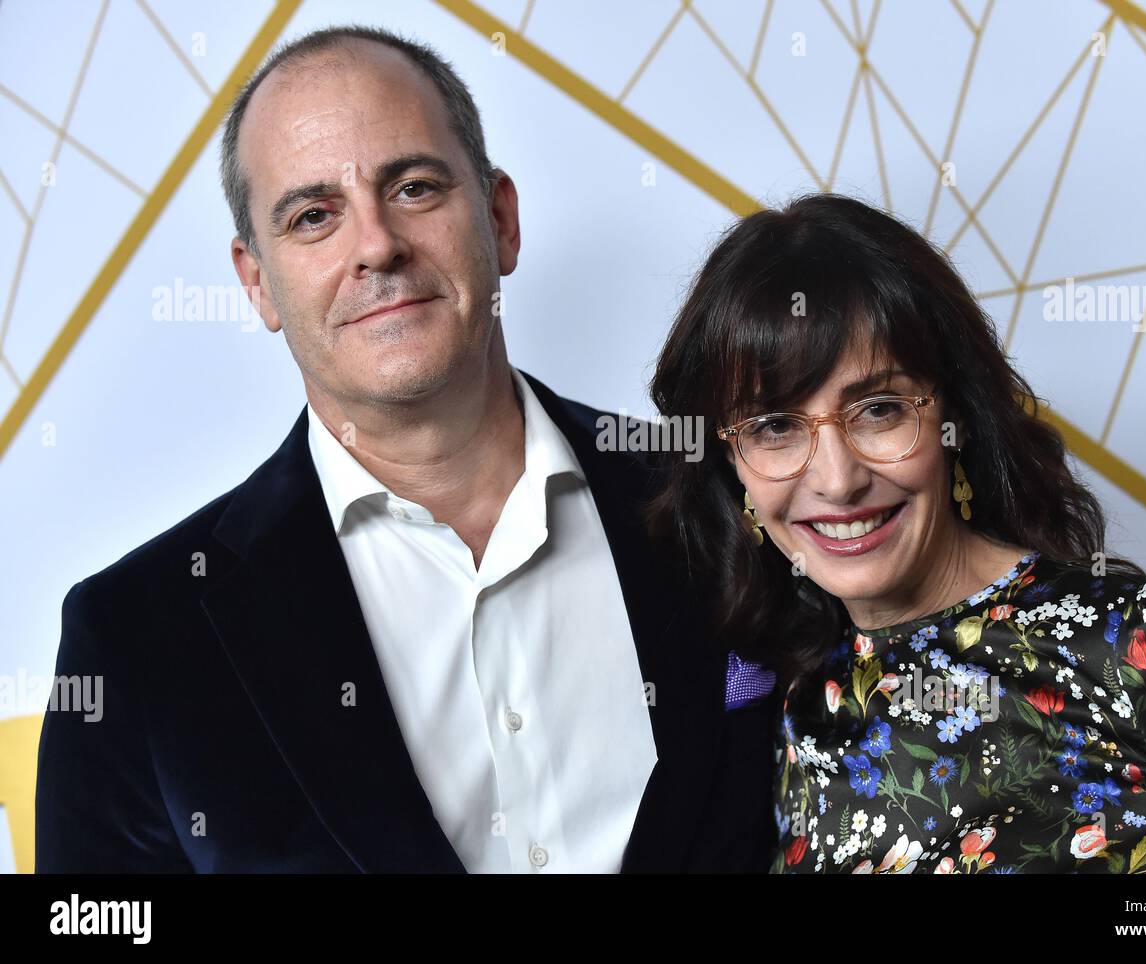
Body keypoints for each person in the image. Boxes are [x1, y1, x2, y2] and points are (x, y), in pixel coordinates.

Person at [35, 25, 776, 874]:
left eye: (416, 188)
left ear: (501, 219)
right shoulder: (135, 637)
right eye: (314, 217)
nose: (377, 246)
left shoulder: (724, 499)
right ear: (257, 283)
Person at [649, 192, 1146, 874]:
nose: (837, 480)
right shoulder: (799, 711)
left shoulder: (1132, 650)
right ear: (732, 464)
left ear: (953, 418)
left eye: (880, 410)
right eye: (774, 427)